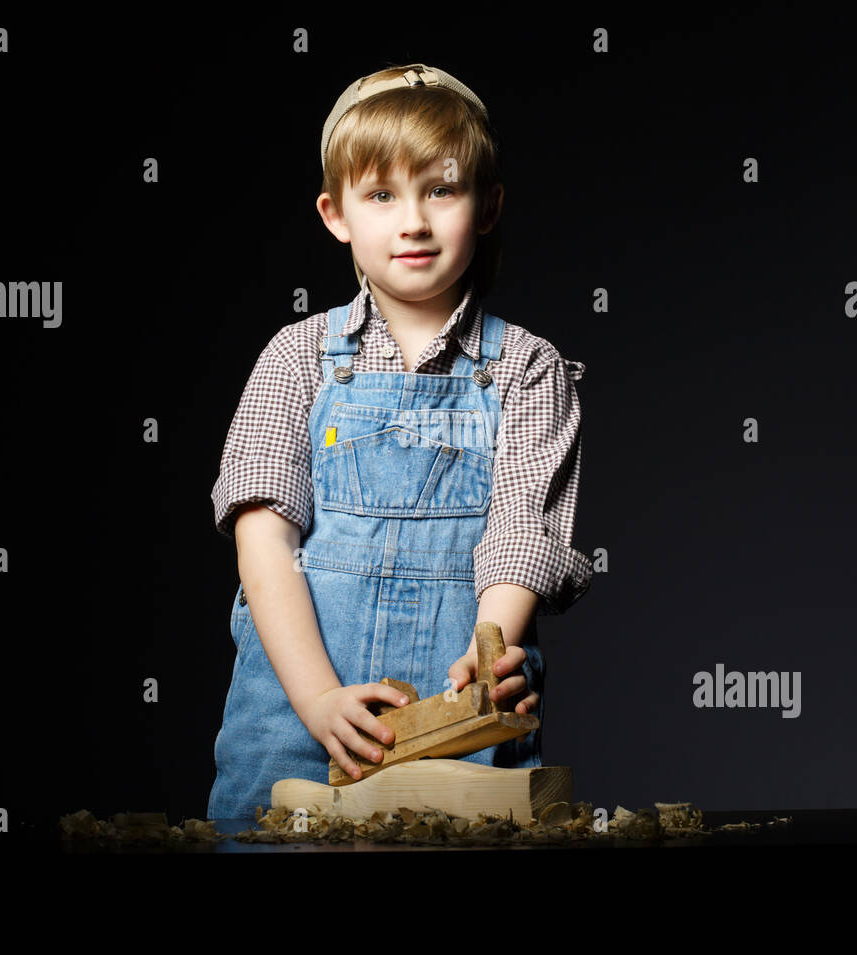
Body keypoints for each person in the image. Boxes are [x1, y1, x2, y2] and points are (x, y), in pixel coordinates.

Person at [206, 63, 594, 826]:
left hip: (462, 721)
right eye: (381, 194)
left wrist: (485, 664)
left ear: (487, 206)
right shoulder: (294, 357)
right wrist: (318, 699)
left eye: (441, 189)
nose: (412, 220)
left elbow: (521, 538)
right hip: (295, 717)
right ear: (336, 213)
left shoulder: (526, 368)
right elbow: (264, 540)